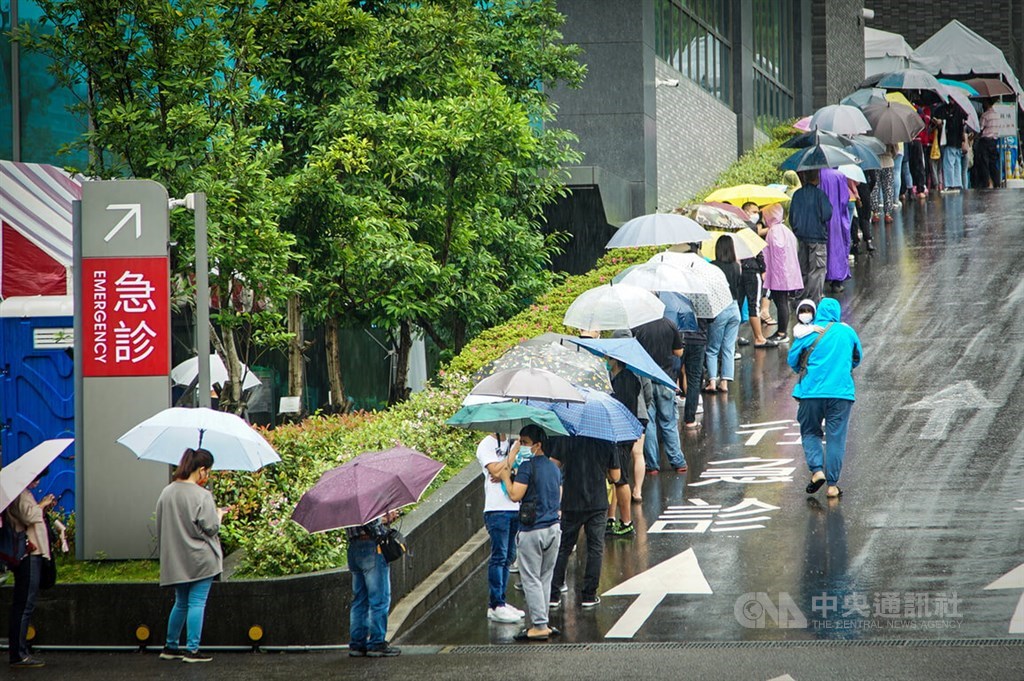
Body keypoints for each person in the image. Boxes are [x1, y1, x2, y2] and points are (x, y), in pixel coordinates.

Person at [156, 448, 227, 663]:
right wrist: (219, 515)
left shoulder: (166, 492)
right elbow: (211, 528)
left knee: (181, 603)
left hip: (177, 558)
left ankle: (170, 646)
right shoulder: (202, 495)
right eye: (209, 471)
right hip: (201, 559)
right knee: (197, 602)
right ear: (202, 470)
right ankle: (193, 650)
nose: (208, 476)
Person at [787, 298, 863, 500]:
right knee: (836, 437)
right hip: (841, 393)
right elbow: (857, 357)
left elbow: (793, 359)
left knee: (811, 431)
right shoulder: (847, 332)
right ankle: (832, 485)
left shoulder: (810, 331)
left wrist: (804, 371)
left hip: (811, 393)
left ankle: (817, 470)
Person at [498, 425, 561, 642]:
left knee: (531, 579)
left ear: (537, 445)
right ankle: (543, 621)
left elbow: (515, 495)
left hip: (532, 531)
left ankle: (539, 625)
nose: (521, 446)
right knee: (545, 577)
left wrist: (507, 477)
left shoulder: (527, 466)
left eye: (524, 442)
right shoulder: (554, 468)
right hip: (553, 529)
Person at [548, 435, 620, 609]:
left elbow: (553, 465)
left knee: (564, 548)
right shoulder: (606, 439)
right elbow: (616, 476)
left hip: (571, 502)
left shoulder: (566, 438)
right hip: (597, 502)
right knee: (595, 548)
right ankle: (589, 595)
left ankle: (553, 594)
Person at [6, 469, 55, 669]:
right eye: (35, 478)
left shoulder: (23, 493)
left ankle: (20, 650)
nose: (36, 482)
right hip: (28, 555)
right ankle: (18, 654)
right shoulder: (17, 494)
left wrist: (42, 505)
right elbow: (29, 516)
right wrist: (41, 505)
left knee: (25, 604)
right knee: (24, 604)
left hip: (32, 554)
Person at [476, 433, 525, 624]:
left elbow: (515, 471)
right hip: (496, 509)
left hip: (515, 506)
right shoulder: (486, 445)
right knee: (499, 556)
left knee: (509, 556)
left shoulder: (516, 443)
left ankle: (500, 602)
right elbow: (496, 473)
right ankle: (496, 604)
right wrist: (511, 456)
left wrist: (506, 468)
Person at [631, 316, 687, 474]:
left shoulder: (637, 326)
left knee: (649, 423)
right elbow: (679, 352)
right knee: (668, 422)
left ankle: (652, 464)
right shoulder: (669, 324)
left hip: (645, 379)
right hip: (666, 379)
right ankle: (677, 461)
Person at [346, 508, 402, 657]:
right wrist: (385, 519)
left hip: (354, 548)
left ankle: (357, 644)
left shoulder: (347, 499)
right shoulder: (365, 497)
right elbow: (368, 523)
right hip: (370, 547)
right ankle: (377, 643)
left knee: (360, 599)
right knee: (379, 598)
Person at [607, 357, 643, 529]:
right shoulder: (631, 378)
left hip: (620, 435)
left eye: (608, 358)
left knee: (620, 479)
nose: (606, 361)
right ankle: (613, 518)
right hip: (627, 432)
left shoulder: (622, 382)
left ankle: (626, 522)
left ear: (616, 360)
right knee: (617, 477)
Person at [761, 203, 803, 343]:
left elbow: (774, 254)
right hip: (788, 272)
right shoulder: (785, 230)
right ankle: (782, 331)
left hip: (778, 274)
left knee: (781, 302)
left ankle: (781, 332)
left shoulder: (774, 232)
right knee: (782, 301)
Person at [789, 169, 832, 303]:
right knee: (817, 270)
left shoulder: (797, 195)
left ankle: (801, 298)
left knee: (803, 268)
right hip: (817, 237)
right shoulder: (820, 195)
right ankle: (814, 300)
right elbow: (827, 214)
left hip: (801, 237)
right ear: (816, 178)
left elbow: (792, 218)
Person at [707, 235, 742, 392]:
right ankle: (725, 383)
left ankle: (712, 381)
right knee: (728, 348)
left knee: (713, 348)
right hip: (734, 309)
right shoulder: (736, 266)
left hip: (720, 308)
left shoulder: (713, 267)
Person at [738, 203, 777, 349]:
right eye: (754, 211)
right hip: (751, 269)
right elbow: (757, 250)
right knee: (754, 304)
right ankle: (759, 338)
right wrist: (763, 269)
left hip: (739, 269)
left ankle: (734, 337)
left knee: (738, 302)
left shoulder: (735, 227)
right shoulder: (751, 227)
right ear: (746, 212)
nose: (757, 215)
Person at [819, 167, 851, 294]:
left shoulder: (816, 174)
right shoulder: (839, 175)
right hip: (835, 216)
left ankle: (821, 281)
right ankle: (836, 281)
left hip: (819, 216)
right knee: (836, 247)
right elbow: (844, 199)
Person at [935, 101, 967, 193]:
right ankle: (958, 183)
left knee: (949, 163)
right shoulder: (961, 111)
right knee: (957, 163)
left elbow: (950, 124)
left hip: (951, 140)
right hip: (958, 141)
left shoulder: (948, 111)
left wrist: (943, 122)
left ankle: (950, 185)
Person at [975, 100, 1001, 189]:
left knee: (984, 163)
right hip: (994, 141)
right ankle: (997, 182)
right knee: (993, 163)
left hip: (985, 141)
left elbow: (980, 129)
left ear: (986, 103)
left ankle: (986, 183)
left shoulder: (985, 115)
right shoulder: (997, 115)